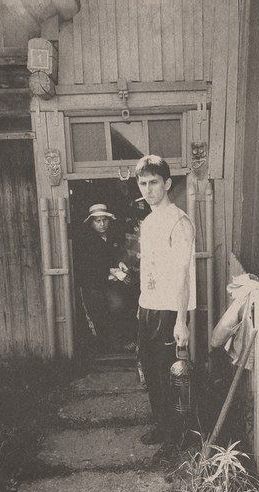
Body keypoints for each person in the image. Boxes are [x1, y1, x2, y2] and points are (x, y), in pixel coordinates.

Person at [135, 155, 196, 454]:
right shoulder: (148, 222)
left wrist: (181, 321)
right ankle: (162, 426)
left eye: (154, 183)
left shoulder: (179, 222)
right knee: (150, 372)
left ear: (167, 184)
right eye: (143, 183)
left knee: (169, 375)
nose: (148, 190)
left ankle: (177, 439)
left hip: (171, 310)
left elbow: (183, 275)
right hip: (148, 307)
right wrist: (141, 306)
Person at [76, 203, 137, 354]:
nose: (102, 224)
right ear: (91, 222)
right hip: (92, 284)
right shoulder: (85, 240)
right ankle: (107, 349)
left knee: (118, 307)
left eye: (105, 220)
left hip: (109, 283)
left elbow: (117, 255)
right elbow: (86, 266)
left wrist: (120, 263)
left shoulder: (112, 237)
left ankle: (119, 345)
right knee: (99, 315)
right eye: (98, 221)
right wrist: (110, 270)